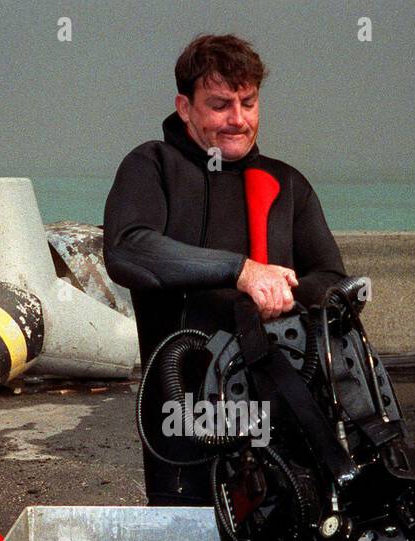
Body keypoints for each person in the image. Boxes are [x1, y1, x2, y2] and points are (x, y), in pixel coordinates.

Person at [104, 33, 347, 506]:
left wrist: (281, 293)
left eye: (248, 103)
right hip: (184, 417)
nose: (238, 119)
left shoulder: (286, 184)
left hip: (281, 414)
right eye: (220, 105)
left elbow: (332, 281)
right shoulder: (152, 166)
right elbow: (128, 249)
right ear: (184, 107)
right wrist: (242, 273)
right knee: (190, 537)